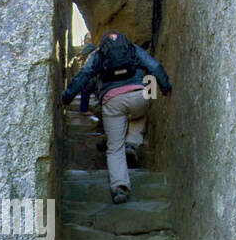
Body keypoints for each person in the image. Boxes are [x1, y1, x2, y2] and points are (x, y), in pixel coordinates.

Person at [61, 31, 172, 203]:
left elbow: (84, 75)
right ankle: (133, 142)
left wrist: (67, 97)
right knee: (139, 115)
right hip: (139, 95)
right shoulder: (132, 48)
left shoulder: (98, 54)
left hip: (112, 100)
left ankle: (120, 188)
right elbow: (154, 67)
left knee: (114, 148)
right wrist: (165, 87)